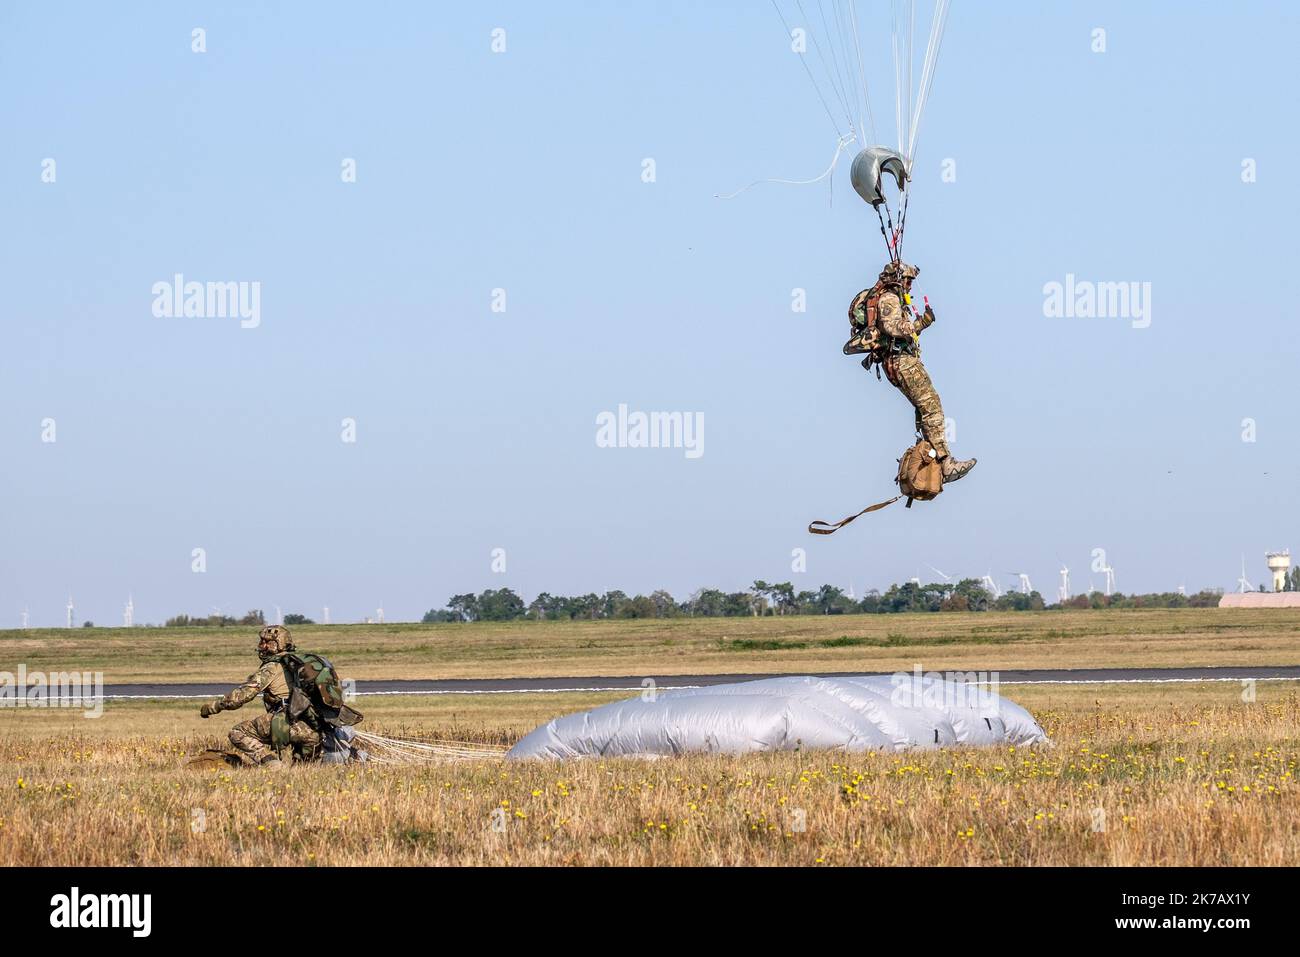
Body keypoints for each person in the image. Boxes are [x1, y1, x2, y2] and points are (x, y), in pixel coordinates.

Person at [843, 260, 976, 484]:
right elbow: (893, 327)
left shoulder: (890, 298)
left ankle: (934, 459)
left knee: (926, 407)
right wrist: (921, 323)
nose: (911, 286)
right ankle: (945, 462)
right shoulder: (889, 298)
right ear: (899, 279)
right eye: (908, 280)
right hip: (902, 362)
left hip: (900, 361)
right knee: (931, 405)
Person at [198, 625, 321, 767]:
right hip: (311, 728)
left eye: (266, 642)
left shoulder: (271, 667)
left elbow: (241, 696)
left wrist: (213, 707)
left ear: (279, 645)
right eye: (261, 641)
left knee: (237, 732)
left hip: (287, 722)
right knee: (303, 769)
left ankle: (272, 764)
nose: (261, 646)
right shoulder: (300, 664)